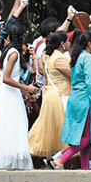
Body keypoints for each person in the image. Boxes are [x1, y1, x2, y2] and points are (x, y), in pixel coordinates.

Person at [0, 22, 37, 169]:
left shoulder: (8, 51)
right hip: (8, 93)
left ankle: (8, 158)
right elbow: (6, 78)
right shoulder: (14, 53)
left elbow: (12, 77)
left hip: (9, 92)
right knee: (11, 123)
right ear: (22, 38)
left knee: (8, 124)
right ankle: (7, 159)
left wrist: (27, 93)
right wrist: (26, 88)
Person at [48, 32, 91, 170]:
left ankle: (85, 168)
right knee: (88, 138)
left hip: (75, 98)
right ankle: (61, 160)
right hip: (86, 100)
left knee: (85, 137)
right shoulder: (89, 58)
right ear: (89, 44)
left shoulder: (77, 57)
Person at [28, 32, 71, 160]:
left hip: (53, 94)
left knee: (49, 128)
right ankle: (60, 157)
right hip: (59, 95)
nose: (69, 43)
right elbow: (73, 75)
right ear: (62, 44)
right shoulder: (59, 58)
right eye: (68, 41)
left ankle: (57, 157)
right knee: (60, 128)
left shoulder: (50, 56)